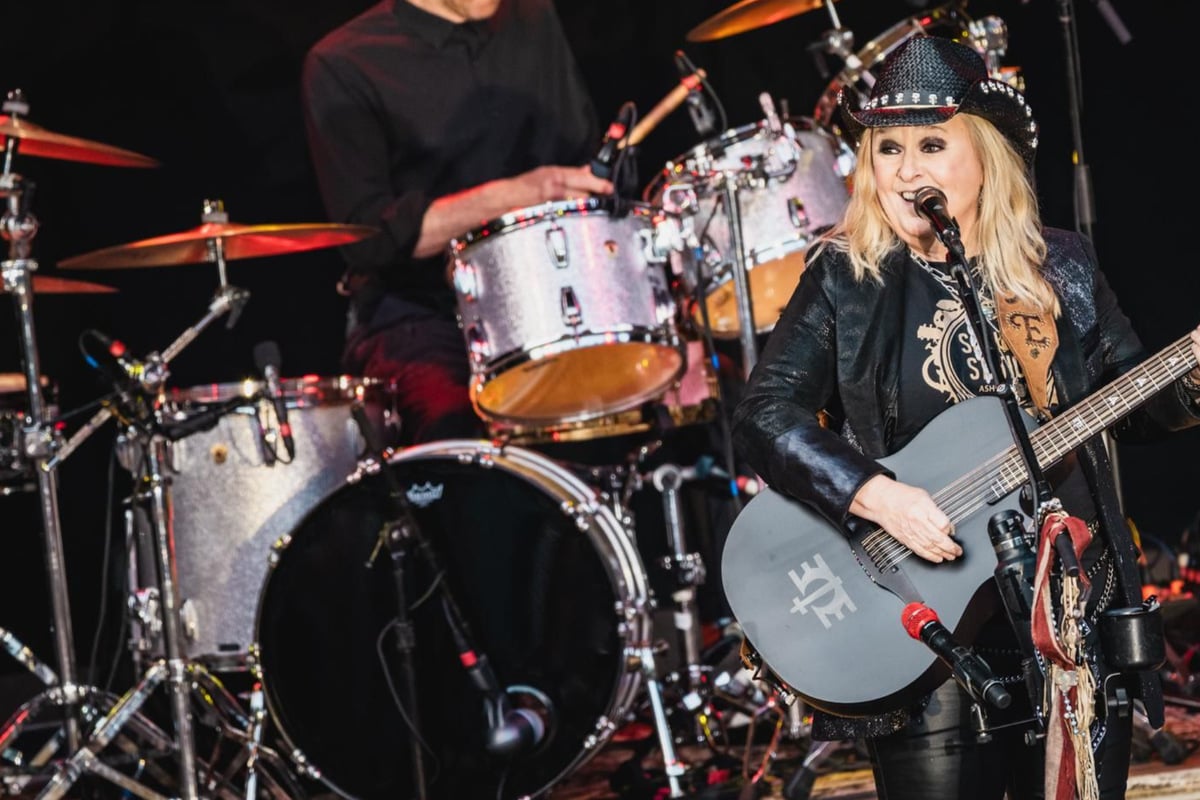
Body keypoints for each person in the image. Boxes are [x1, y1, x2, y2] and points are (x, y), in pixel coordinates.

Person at [730, 35, 1200, 800]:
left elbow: (1134, 408)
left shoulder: (1064, 268)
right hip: (930, 629)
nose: (905, 171)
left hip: (1070, 607)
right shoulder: (846, 276)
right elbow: (766, 413)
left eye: (930, 144)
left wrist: (1192, 385)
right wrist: (877, 496)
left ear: (985, 154)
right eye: (887, 148)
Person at [300, 0, 613, 447]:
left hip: (551, 303)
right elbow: (370, 237)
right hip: (419, 316)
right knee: (456, 435)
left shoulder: (533, 17)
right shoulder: (343, 62)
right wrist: (525, 192)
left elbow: (584, 163)